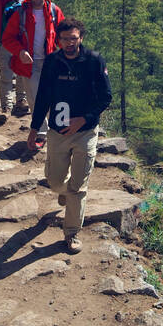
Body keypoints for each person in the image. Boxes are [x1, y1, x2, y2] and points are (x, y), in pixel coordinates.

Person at [28, 17, 112, 253]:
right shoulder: (53, 61)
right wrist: (34, 129)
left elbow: (106, 96)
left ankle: (72, 233)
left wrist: (84, 119)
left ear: (80, 38)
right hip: (57, 130)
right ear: (58, 39)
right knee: (55, 182)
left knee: (78, 187)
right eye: (64, 39)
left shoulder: (94, 61)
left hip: (85, 131)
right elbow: (43, 96)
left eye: (73, 38)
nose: (69, 43)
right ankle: (64, 193)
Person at [1, 0, 64, 148]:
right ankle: (41, 133)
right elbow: (7, 38)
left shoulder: (54, 11)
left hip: (50, 62)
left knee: (54, 96)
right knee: (35, 98)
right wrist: (20, 51)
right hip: (29, 64)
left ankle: (57, 130)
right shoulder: (21, 12)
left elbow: (63, 35)